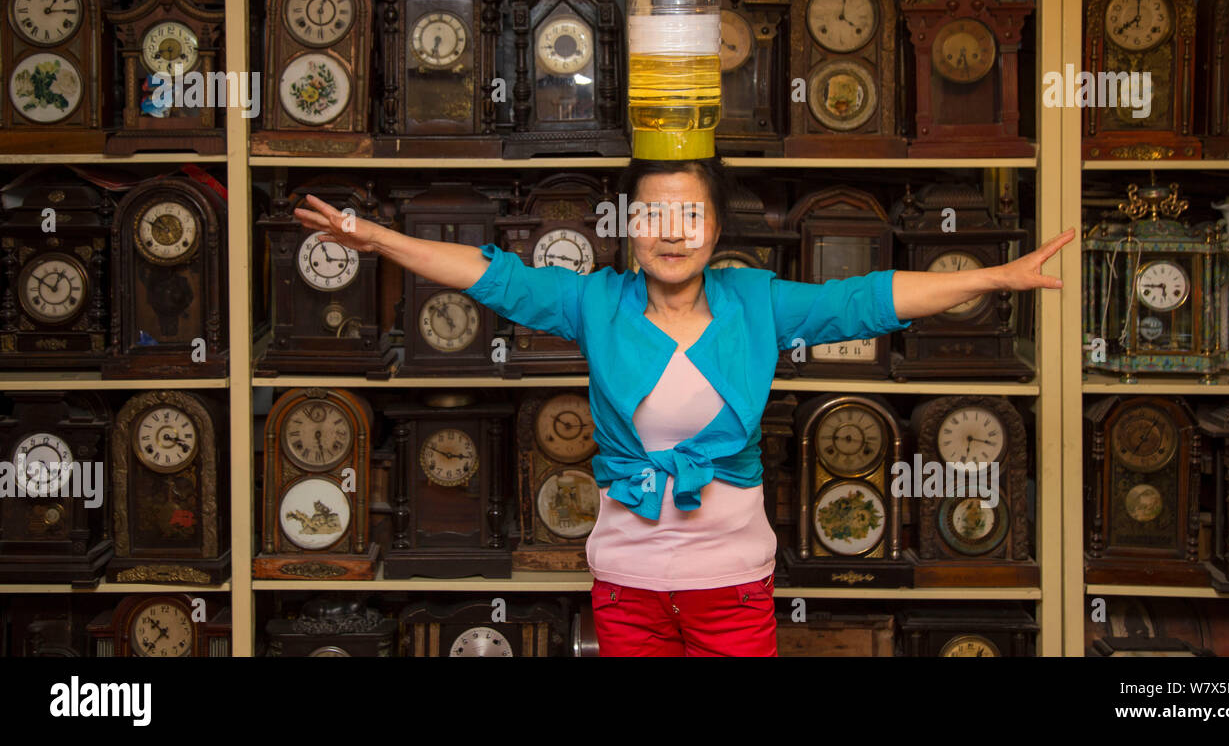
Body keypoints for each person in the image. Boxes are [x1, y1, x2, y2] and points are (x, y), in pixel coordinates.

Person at [292, 154, 1075, 657]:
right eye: (653, 215)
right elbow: (492, 275)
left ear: (716, 227)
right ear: (630, 228)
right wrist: (380, 239)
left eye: (690, 215)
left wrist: (994, 279)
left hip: (731, 582)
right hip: (626, 582)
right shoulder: (596, 302)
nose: (672, 233)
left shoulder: (756, 300)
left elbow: (867, 299)